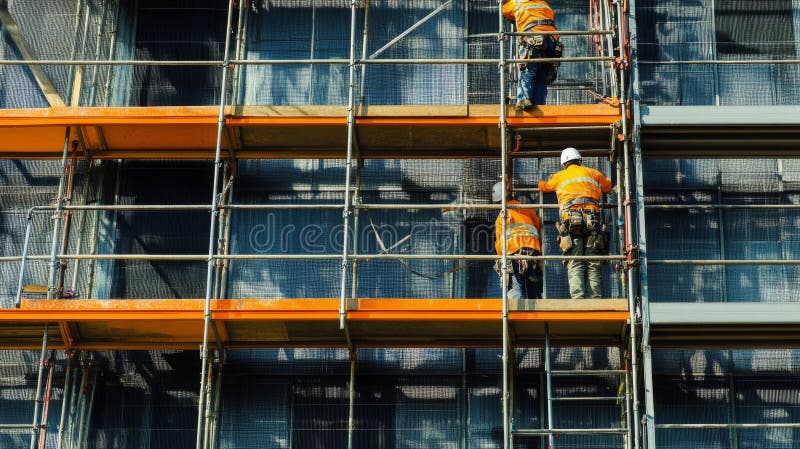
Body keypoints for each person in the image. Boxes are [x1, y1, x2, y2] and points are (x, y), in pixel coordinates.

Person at [538, 147, 612, 299]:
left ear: (564, 163)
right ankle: (595, 299)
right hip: (593, 222)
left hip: (571, 223)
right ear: (580, 160)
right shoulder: (594, 174)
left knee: (575, 261)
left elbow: (543, 187)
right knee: (593, 263)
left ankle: (578, 298)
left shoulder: (560, 176)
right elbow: (608, 186)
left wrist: (541, 182)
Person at [502, 0, 561, 110]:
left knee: (527, 71)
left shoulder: (516, 2)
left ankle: (524, 99)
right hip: (552, 41)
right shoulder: (544, 3)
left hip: (533, 37)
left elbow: (504, 10)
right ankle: (539, 105)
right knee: (541, 76)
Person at [492, 181, 543, 300]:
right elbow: (538, 227)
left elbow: (500, 244)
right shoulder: (527, 209)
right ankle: (536, 316)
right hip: (532, 253)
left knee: (515, 288)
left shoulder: (502, 215)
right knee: (533, 287)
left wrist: (500, 260)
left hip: (513, 253)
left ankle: (518, 317)